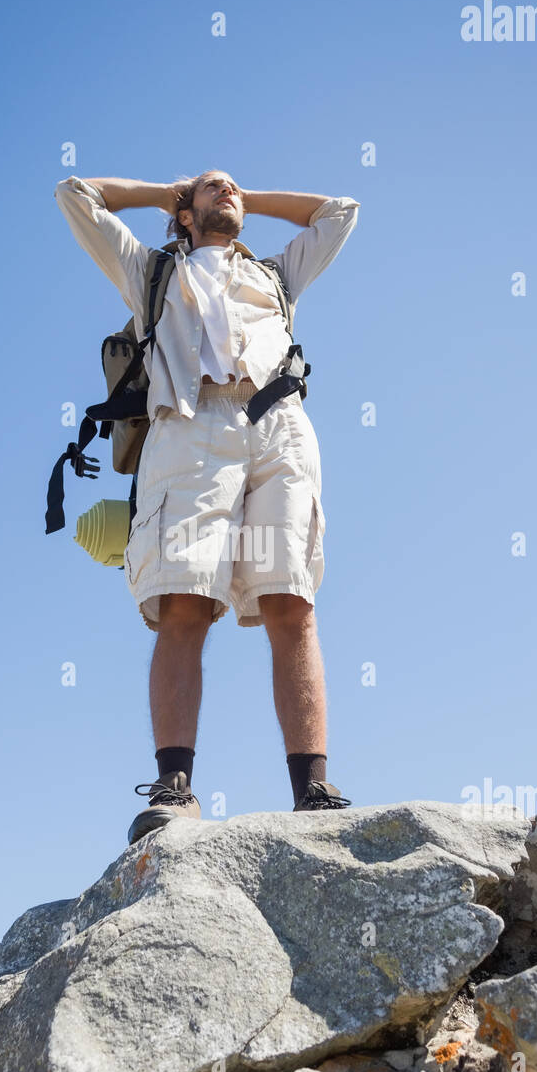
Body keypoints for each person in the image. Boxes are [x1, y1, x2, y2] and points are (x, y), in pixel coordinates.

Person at [55, 169, 359, 844]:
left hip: (278, 427)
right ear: (183, 214)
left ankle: (313, 791)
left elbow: (339, 212)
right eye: (210, 189)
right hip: (188, 428)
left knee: (292, 602)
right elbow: (76, 194)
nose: (225, 189)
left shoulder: (276, 275)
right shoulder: (151, 272)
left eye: (232, 188)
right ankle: (176, 789)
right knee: (183, 604)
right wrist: (172, 188)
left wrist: (243, 196)